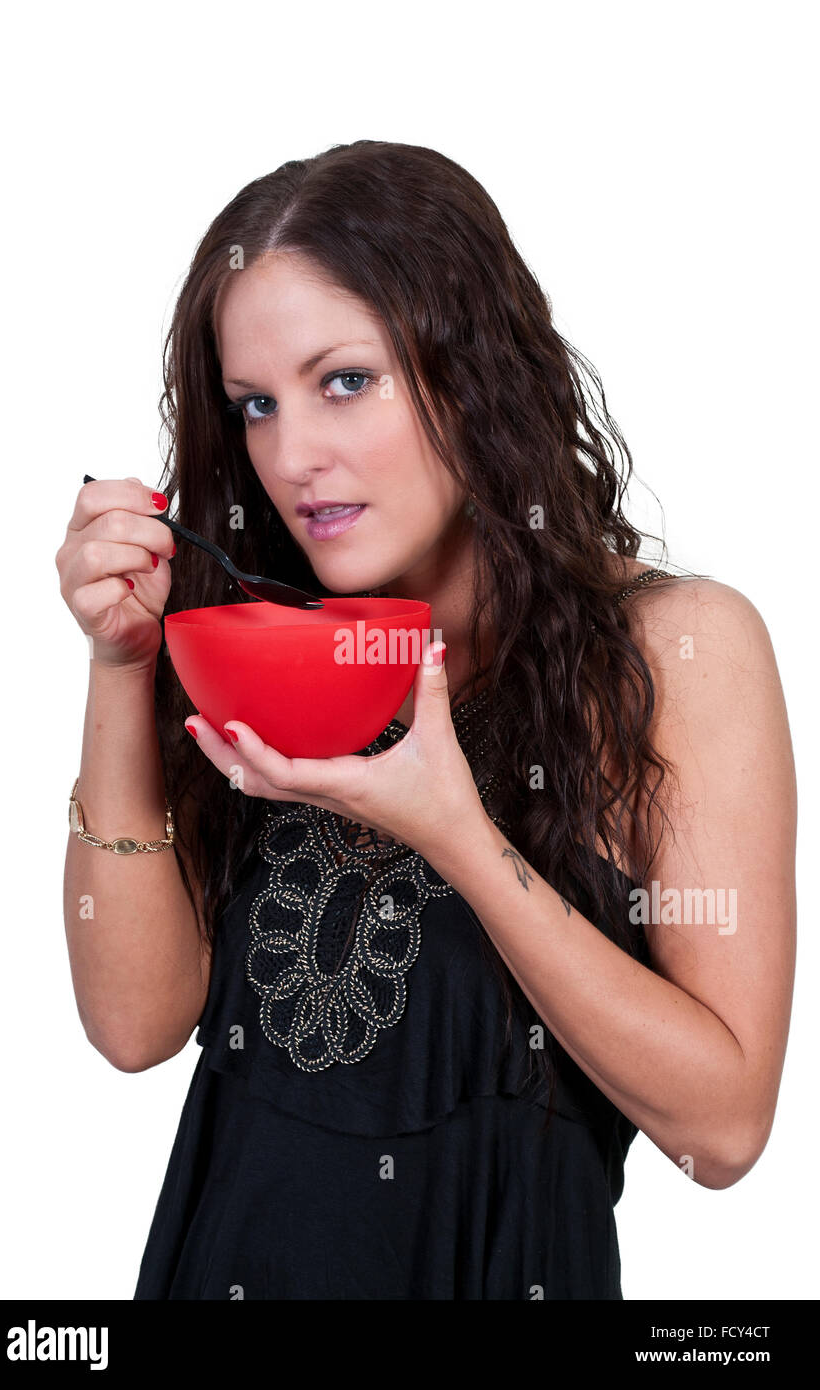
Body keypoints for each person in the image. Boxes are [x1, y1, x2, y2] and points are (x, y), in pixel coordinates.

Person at [56, 140, 796, 1300]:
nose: (292, 456)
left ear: (469, 368)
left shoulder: (675, 651)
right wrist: (121, 662)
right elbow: (135, 1024)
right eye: (255, 404)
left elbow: (725, 1129)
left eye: (341, 380)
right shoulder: (269, 647)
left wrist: (458, 833)